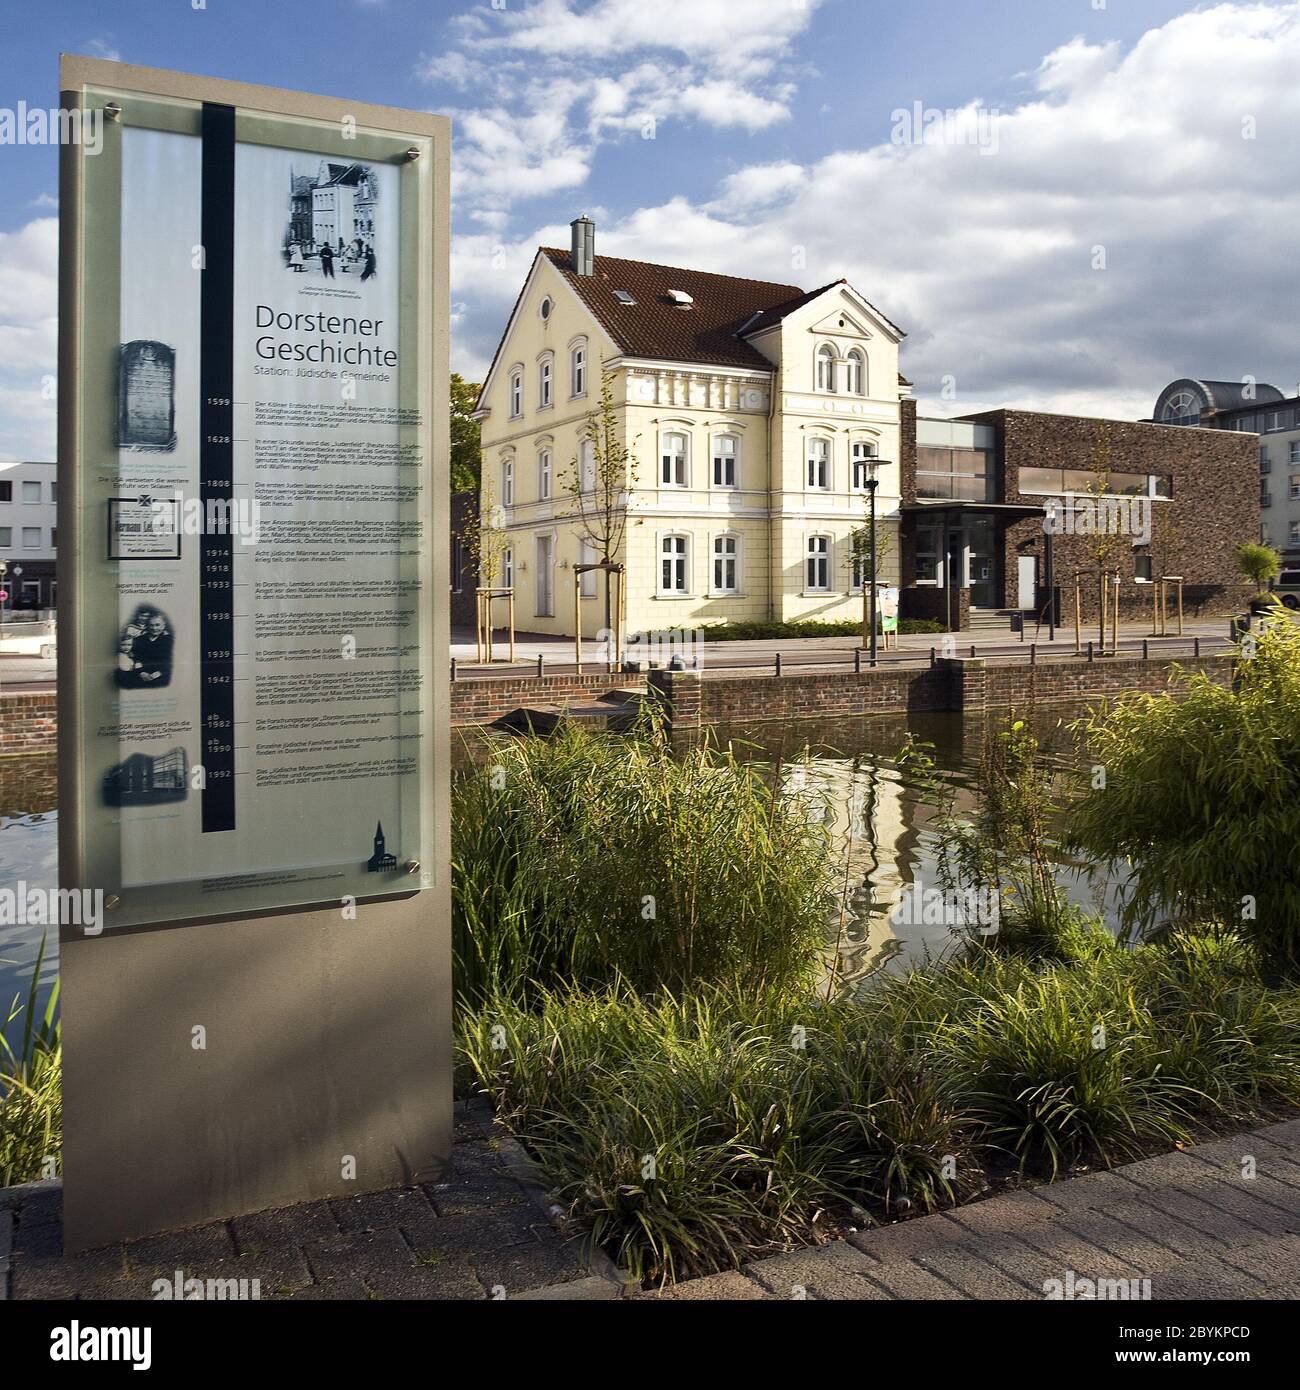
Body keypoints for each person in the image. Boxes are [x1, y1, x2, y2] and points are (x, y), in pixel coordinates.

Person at [114, 611, 174, 689]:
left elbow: (169, 661)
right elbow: (134, 658)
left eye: (157, 625)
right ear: (147, 626)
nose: (154, 628)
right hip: (140, 672)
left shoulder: (169, 640)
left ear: (163, 626)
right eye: (151, 625)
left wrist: (157, 673)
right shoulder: (138, 640)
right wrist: (141, 672)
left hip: (161, 673)